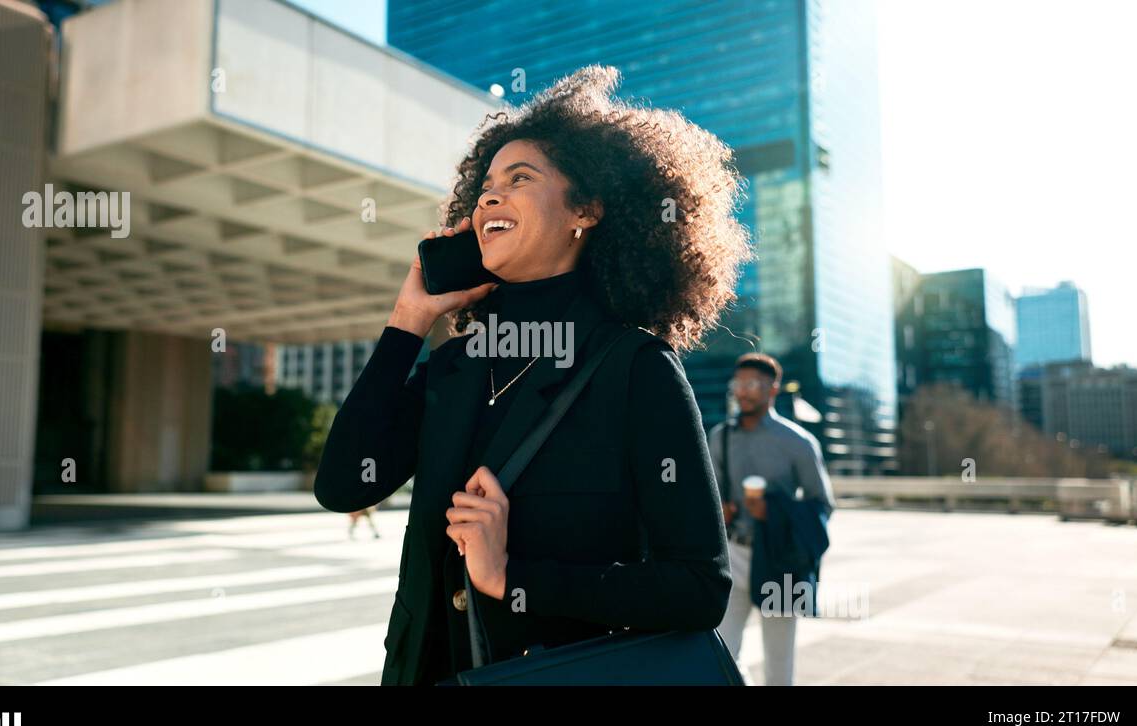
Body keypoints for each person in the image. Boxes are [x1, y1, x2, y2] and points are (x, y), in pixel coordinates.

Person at [313, 65, 755, 686]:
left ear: (588, 209)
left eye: (520, 180)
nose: (489, 197)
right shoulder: (453, 366)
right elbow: (343, 488)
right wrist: (407, 322)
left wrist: (511, 578)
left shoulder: (637, 369)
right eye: (486, 186)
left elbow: (698, 587)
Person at [707, 352, 834, 686]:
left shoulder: (798, 442)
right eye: (738, 384)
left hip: (780, 559)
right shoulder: (719, 437)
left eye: (752, 384)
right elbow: (712, 494)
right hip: (733, 555)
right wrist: (720, 508)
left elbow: (823, 504)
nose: (743, 392)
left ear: (772, 389)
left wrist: (775, 512)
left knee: (779, 664)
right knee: (720, 653)